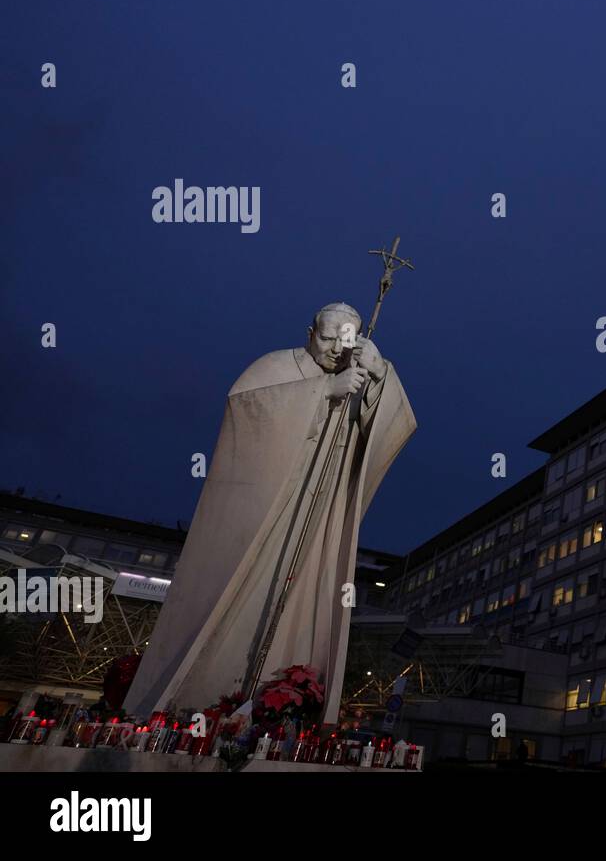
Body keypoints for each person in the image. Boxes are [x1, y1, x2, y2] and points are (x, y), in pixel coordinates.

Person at [123, 303, 416, 725]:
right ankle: (190, 706)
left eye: (346, 342)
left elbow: (392, 427)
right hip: (264, 516)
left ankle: (276, 708)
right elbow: (246, 410)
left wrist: (379, 376)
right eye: (327, 338)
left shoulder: (356, 376)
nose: (336, 349)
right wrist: (323, 393)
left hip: (315, 521)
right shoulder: (275, 368)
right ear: (309, 332)